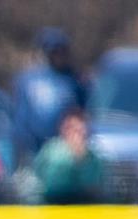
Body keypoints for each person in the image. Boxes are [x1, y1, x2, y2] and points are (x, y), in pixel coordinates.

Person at [11, 27, 87, 166]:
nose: (59, 55)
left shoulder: (75, 80)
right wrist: (22, 145)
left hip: (62, 149)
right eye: (55, 51)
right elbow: (20, 117)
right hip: (34, 147)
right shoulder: (28, 80)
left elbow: (82, 112)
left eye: (62, 51)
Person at [31, 107, 105, 204]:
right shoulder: (52, 150)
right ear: (64, 129)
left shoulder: (93, 157)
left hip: (83, 206)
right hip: (51, 205)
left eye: (80, 130)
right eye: (73, 129)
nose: (77, 135)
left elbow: (93, 185)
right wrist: (72, 156)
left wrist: (82, 159)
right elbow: (51, 183)